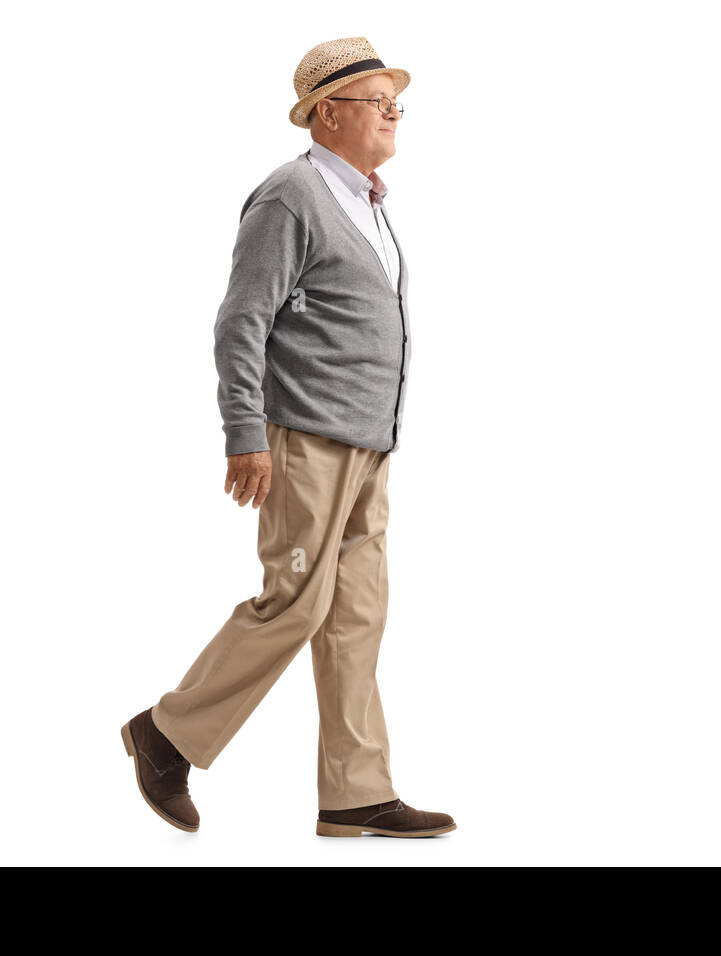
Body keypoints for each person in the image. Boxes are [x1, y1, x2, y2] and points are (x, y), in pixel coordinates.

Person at [120, 37, 455, 839]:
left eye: (396, 103)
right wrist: (246, 432)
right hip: (303, 438)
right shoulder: (291, 197)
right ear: (327, 112)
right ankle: (165, 736)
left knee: (355, 615)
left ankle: (355, 790)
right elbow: (242, 320)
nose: (392, 115)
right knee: (295, 605)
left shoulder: (368, 202)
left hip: (368, 444)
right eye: (379, 102)